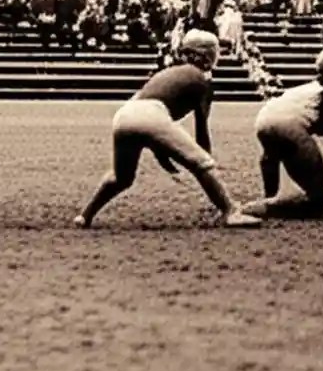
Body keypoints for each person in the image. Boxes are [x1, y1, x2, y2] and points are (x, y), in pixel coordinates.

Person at [75, 30, 261, 229]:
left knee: (121, 177)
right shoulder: (202, 80)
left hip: (124, 115)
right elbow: (200, 129)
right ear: (205, 56)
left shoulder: (166, 73)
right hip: (152, 114)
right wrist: (205, 164)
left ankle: (85, 216)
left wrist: (163, 154)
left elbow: (151, 129)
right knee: (202, 162)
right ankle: (230, 211)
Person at [244, 48, 323, 220]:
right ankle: (260, 207)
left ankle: (268, 199)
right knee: (319, 198)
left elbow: (268, 158)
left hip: (263, 119)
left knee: (271, 152)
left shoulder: (305, 89)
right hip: (290, 127)